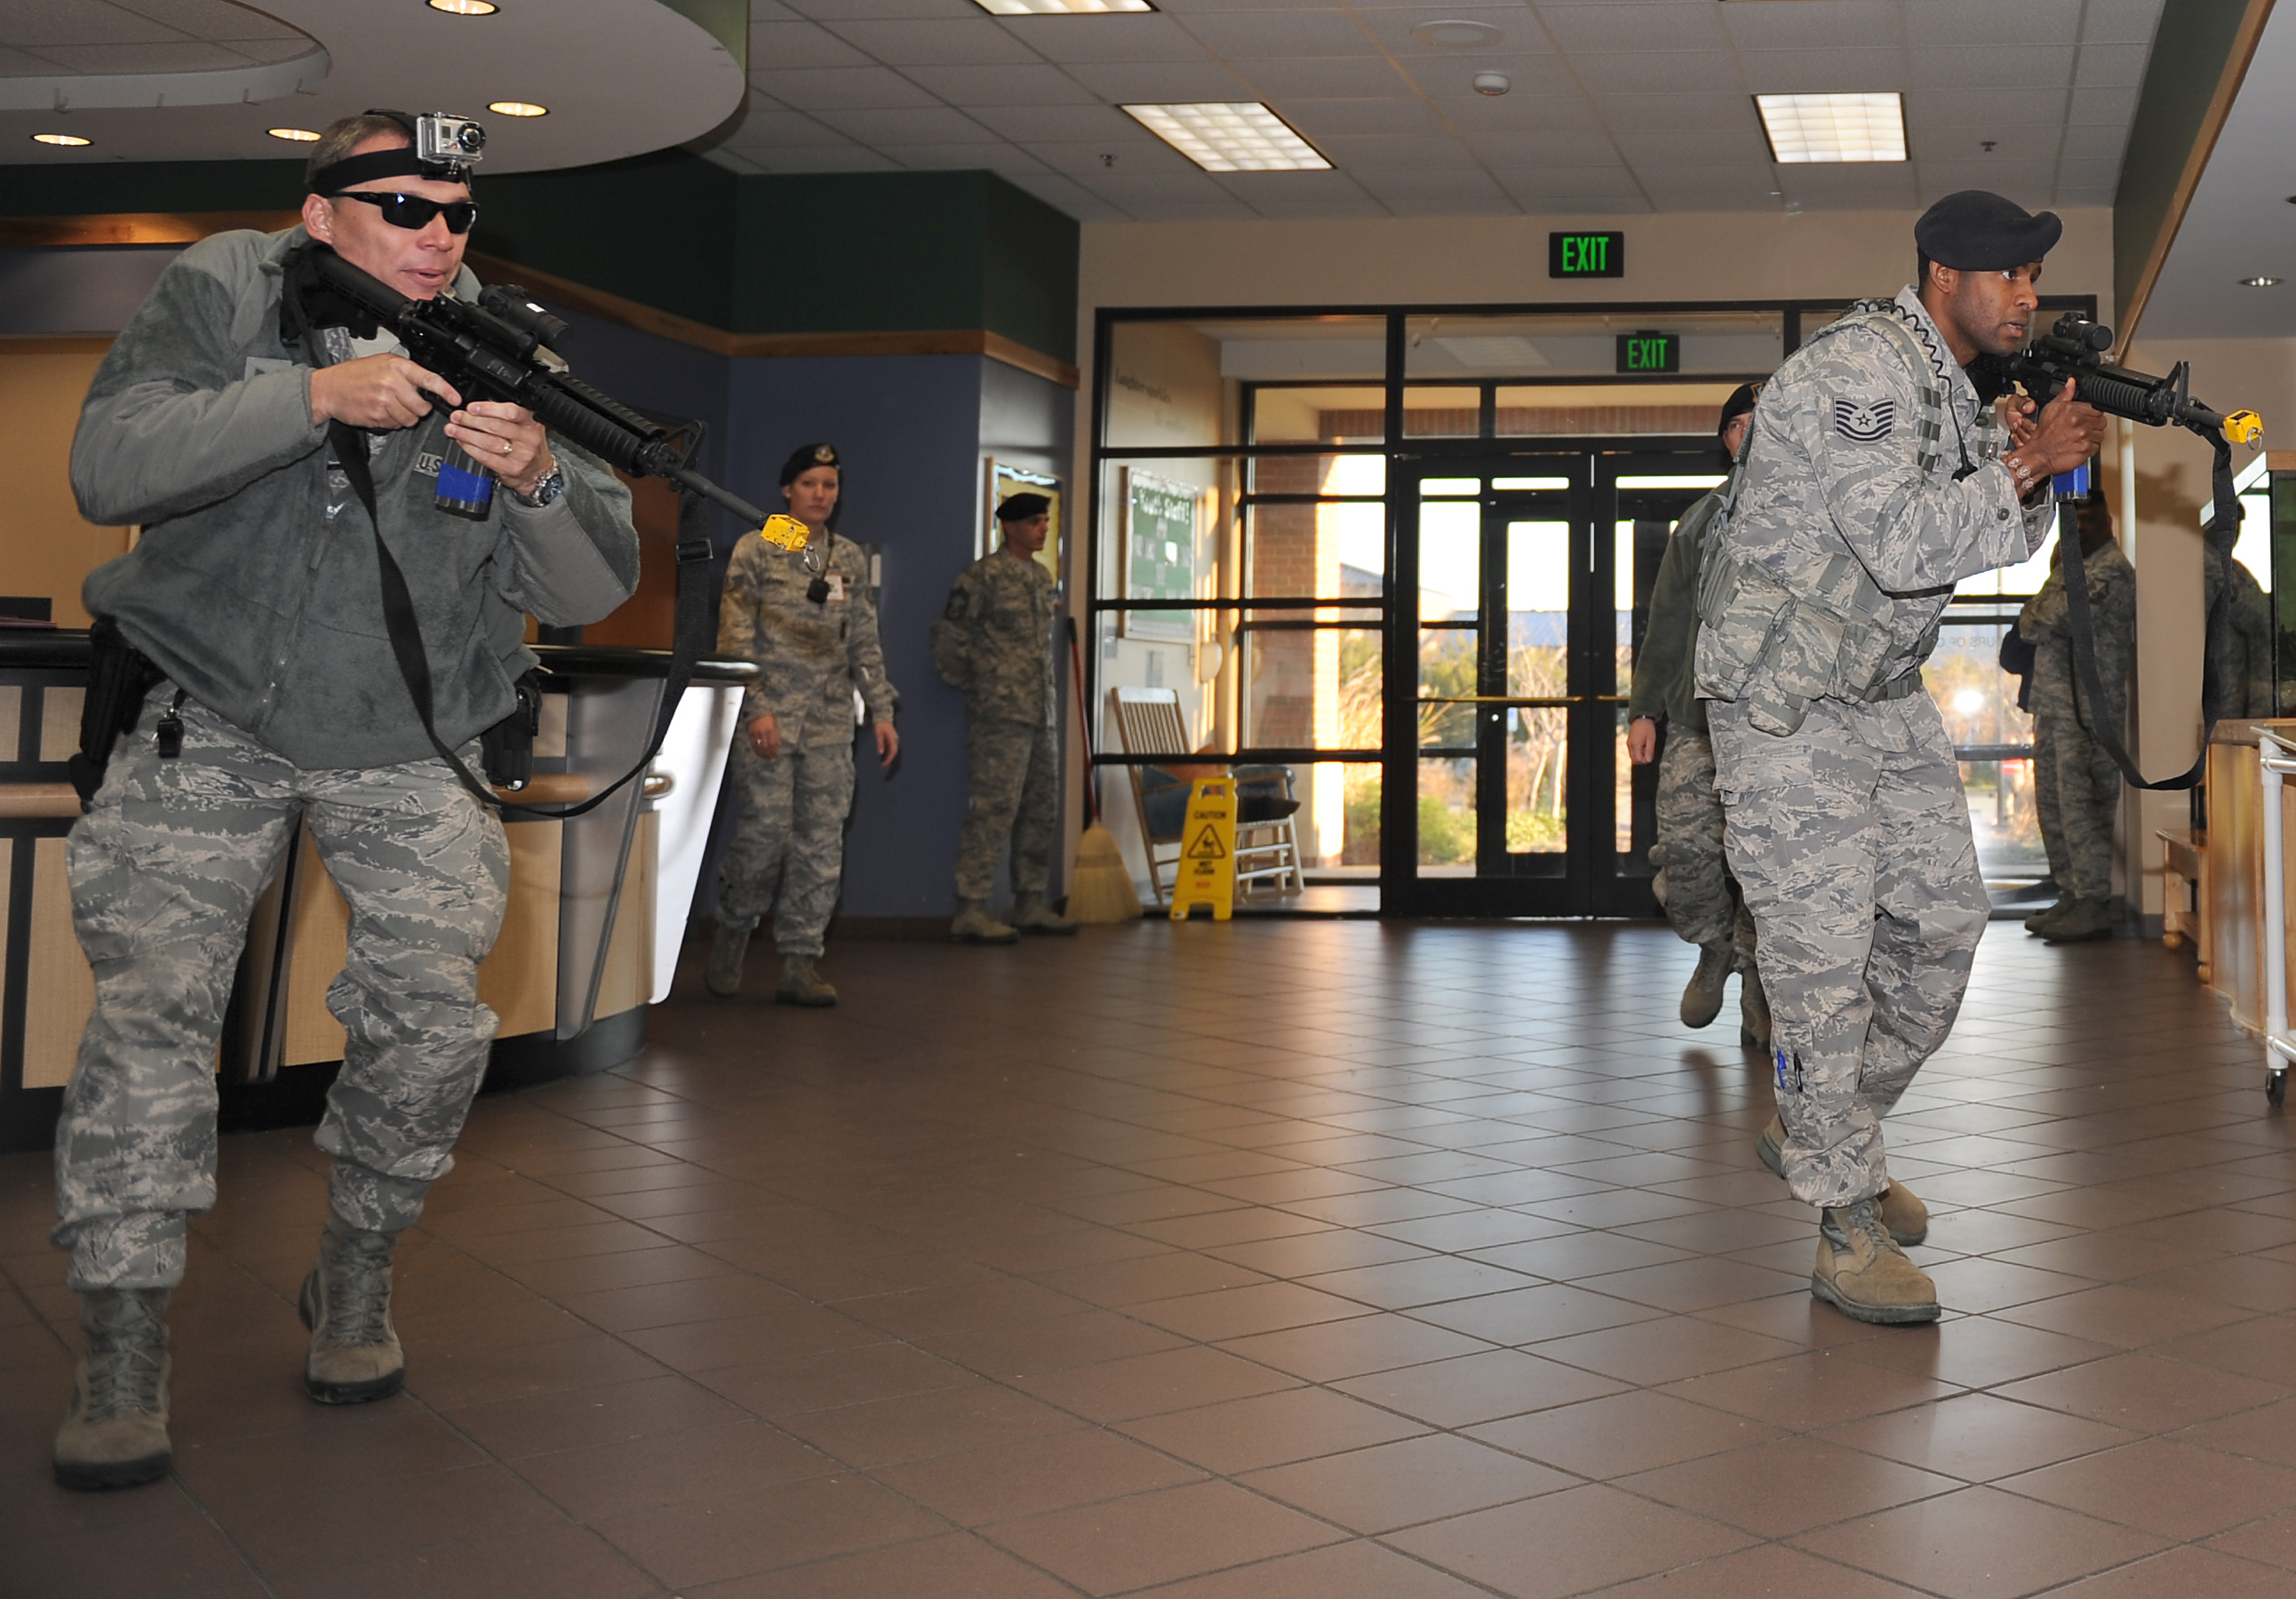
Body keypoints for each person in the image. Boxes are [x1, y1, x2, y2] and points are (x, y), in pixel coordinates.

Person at [52, 111, 640, 1489]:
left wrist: (538, 477)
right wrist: (310, 400)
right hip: (212, 715)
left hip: (406, 739)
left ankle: (357, 1273)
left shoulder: (502, 343)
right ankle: (123, 1343)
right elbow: (106, 468)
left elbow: (593, 581)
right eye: (406, 207)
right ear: (323, 213)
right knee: (150, 1026)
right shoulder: (225, 286)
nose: (440, 237)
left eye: (458, 215)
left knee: (434, 1025)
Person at [1697, 190, 2107, 1325]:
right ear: (1941, 275)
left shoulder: (1950, 385)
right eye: (2007, 277)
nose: (2026, 297)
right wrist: (2024, 471)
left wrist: (2030, 466)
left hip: (1877, 694)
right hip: (1785, 704)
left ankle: (1829, 1131)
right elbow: (1896, 543)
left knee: (1941, 930)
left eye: (2033, 278)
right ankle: (1842, 1223)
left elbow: (1991, 541)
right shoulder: (1860, 373)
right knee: (1822, 971)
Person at [707, 443, 898, 1006]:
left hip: (831, 723)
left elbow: (863, 639)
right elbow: (734, 638)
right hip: (770, 720)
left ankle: (800, 961)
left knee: (821, 843)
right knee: (765, 839)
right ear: (788, 489)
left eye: (831, 485)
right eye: (811, 483)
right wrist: (756, 706)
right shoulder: (760, 547)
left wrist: (881, 710)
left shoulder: (847, 556)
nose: (821, 494)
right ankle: (733, 931)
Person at [1627, 384, 1768, 1047]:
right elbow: (1667, 624)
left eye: (1760, 424)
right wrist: (1644, 710)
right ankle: (1715, 947)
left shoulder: (1814, 516)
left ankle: (1759, 987)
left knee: (1766, 867)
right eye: (1736, 425)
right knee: (1686, 850)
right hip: (1697, 720)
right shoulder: (1700, 521)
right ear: (1726, 439)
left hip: (1778, 727)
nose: (1748, 436)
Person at [932, 493, 1075, 942]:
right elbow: (949, 636)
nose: (1043, 528)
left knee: (1040, 808)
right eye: (1035, 521)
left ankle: (1029, 900)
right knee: (995, 810)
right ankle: (971, 907)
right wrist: (978, 683)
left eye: (1046, 521)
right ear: (1009, 526)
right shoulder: (982, 577)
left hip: (1040, 712)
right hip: (999, 714)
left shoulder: (1041, 578)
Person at [2017, 491, 2132, 944]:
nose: (2079, 527)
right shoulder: (2071, 571)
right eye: (2074, 520)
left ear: (2108, 520)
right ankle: (2070, 892)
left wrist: (2046, 604)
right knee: (2055, 806)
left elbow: (2055, 616)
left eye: (2088, 519)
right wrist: (2046, 602)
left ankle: (2092, 901)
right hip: (2054, 706)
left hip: (2088, 713)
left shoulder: (2113, 572)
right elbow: (2028, 623)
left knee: (2083, 807)